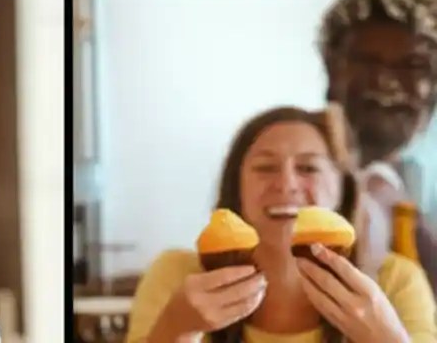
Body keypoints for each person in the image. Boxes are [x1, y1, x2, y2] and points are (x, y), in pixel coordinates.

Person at [126, 106, 436, 343]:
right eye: (265, 167)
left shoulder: (397, 282)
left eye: (307, 167)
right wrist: (175, 329)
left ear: (343, 188)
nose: (286, 184)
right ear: (237, 187)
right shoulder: (176, 275)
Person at [318, 0, 437, 291]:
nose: (385, 81)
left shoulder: (417, 181)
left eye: (412, 65)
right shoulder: (290, 170)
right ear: (332, 72)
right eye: (365, 62)